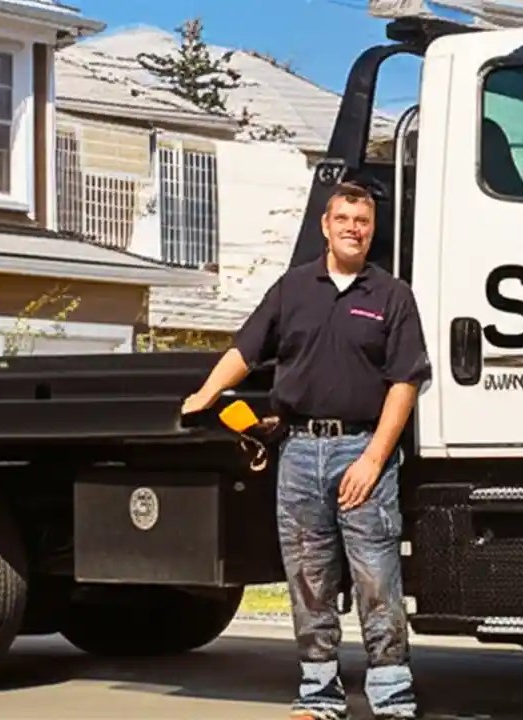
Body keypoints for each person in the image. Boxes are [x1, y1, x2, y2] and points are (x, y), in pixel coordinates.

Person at [182, 181, 431, 720]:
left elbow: (405, 383)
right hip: (298, 452)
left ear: (372, 229)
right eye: (343, 219)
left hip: (361, 449)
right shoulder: (292, 288)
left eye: (362, 221)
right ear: (325, 225)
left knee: (376, 577)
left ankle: (392, 695)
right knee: (308, 577)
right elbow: (246, 349)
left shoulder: (392, 295)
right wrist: (205, 393)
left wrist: (373, 459)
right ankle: (319, 694)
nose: (353, 229)